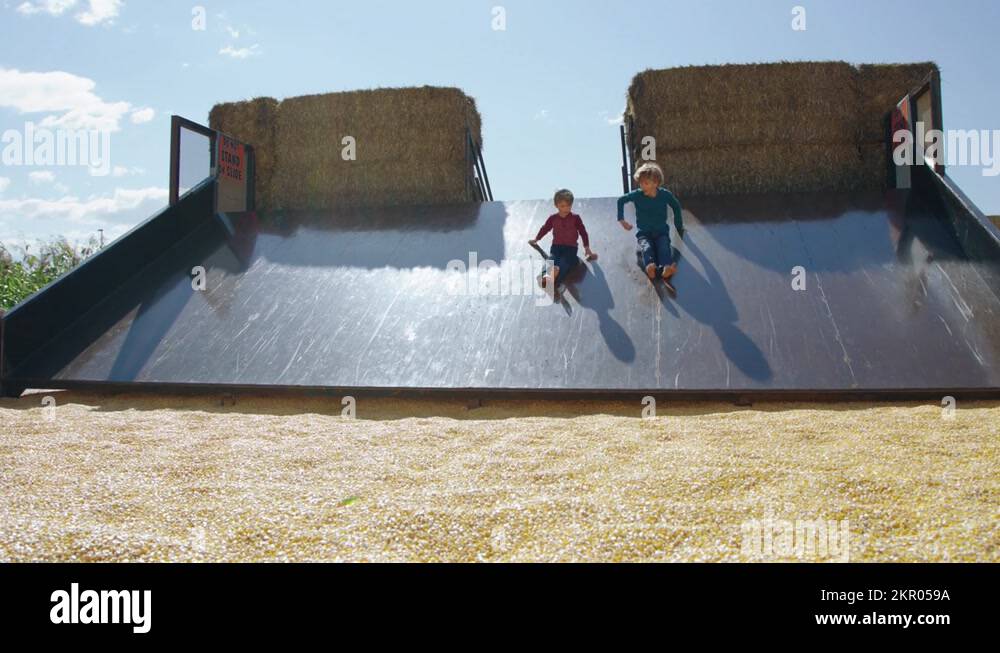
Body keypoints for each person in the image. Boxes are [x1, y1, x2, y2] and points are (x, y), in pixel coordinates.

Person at [617, 162, 685, 282]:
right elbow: (621, 200)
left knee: (664, 247)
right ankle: (650, 267)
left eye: (646, 183)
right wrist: (621, 219)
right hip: (644, 233)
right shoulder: (637, 195)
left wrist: (678, 224)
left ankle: (666, 268)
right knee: (646, 248)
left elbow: (676, 206)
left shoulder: (664, 195)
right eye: (641, 183)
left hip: (661, 232)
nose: (642, 186)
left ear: (656, 183)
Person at [529, 188, 595, 291]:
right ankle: (545, 276)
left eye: (568, 206)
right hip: (556, 247)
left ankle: (556, 281)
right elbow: (545, 228)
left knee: (564, 262)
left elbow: (583, 232)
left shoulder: (575, 218)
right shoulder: (553, 218)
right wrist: (537, 239)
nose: (566, 209)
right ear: (557, 205)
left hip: (571, 248)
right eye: (562, 206)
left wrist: (586, 247)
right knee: (552, 259)